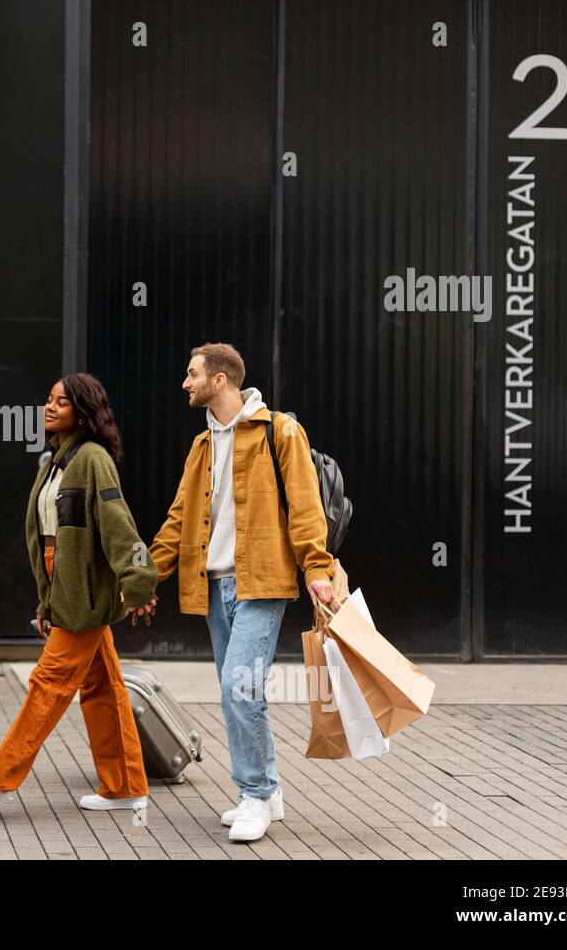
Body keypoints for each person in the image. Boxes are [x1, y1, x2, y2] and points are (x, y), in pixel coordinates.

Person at [0, 373, 159, 812]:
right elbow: (47, 535)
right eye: (48, 399)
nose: (49, 407)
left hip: (84, 593)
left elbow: (117, 524)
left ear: (82, 410)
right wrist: (46, 600)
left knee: (48, 681)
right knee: (101, 685)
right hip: (64, 583)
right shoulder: (53, 462)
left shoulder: (92, 459)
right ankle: (125, 787)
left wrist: (138, 581)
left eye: (60, 402)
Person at [148, 342, 335, 842]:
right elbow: (177, 520)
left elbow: (305, 505)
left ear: (220, 380)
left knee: (239, 685)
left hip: (262, 583)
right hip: (215, 586)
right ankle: (269, 791)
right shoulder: (202, 446)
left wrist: (317, 567)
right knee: (240, 694)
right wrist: (145, 578)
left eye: (192, 374)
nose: (185, 384)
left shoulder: (280, 431)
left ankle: (252, 794)